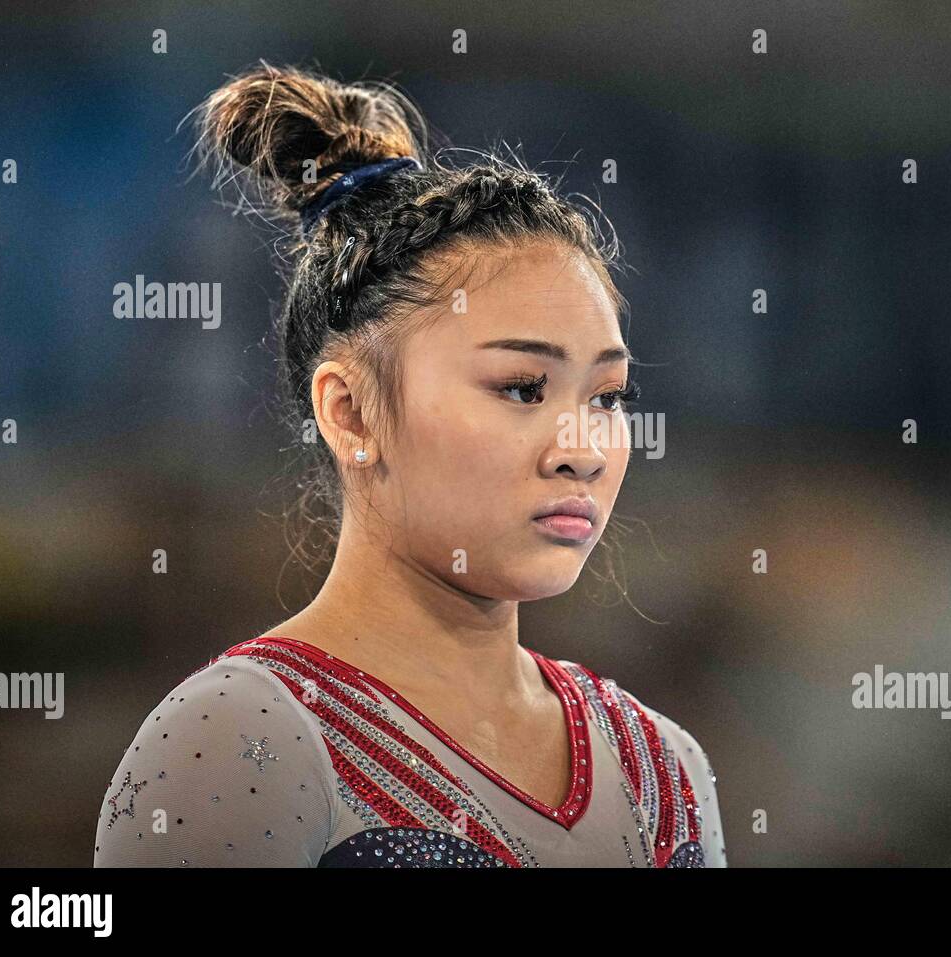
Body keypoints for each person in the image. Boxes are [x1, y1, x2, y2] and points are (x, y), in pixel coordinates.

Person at [93, 62, 725, 867]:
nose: (581, 451)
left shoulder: (665, 767)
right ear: (350, 411)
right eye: (521, 387)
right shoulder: (238, 740)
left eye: (607, 396)